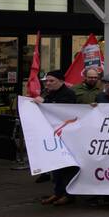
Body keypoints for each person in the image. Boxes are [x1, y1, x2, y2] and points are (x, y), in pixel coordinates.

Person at [33, 69, 78, 205]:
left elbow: (61, 112)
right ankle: (57, 192)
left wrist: (44, 103)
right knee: (56, 165)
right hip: (53, 135)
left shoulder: (68, 94)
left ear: (61, 81)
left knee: (68, 167)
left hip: (66, 135)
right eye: (47, 81)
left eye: (51, 81)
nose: (48, 83)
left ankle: (68, 195)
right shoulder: (49, 93)